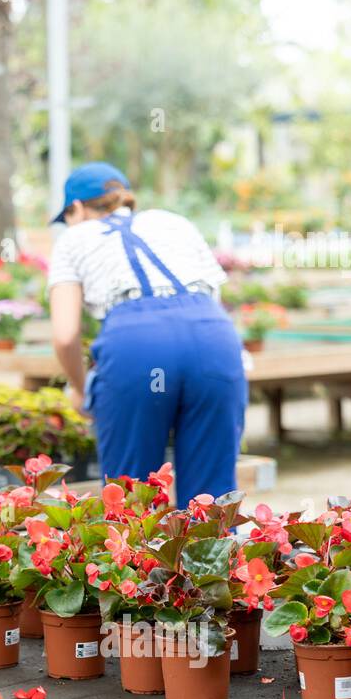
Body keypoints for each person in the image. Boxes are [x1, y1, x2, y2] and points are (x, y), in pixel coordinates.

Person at [46, 162, 245, 504]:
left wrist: (83, 391)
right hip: (213, 337)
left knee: (132, 500)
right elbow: (213, 298)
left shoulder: (73, 239)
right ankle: (215, 554)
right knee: (211, 505)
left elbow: (65, 335)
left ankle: (136, 554)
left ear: (75, 208)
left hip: (137, 345)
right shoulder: (175, 222)